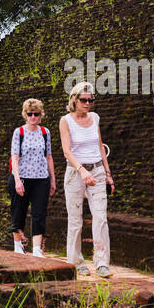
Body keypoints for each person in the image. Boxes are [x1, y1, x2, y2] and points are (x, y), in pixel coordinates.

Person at [59, 82, 114, 278]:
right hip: (76, 173)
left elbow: (100, 146)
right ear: (74, 99)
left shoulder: (95, 118)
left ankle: (101, 263)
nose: (88, 103)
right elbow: (67, 151)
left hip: (97, 170)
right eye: (84, 100)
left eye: (91, 100)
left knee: (100, 218)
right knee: (76, 220)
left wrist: (108, 174)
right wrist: (82, 171)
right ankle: (76, 261)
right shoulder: (66, 121)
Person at [8, 98, 56, 257]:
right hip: (22, 178)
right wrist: (17, 180)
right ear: (25, 115)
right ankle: (17, 245)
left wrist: (53, 179)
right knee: (18, 211)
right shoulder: (19, 132)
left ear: (40, 115)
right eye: (30, 114)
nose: (33, 117)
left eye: (36, 114)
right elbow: (14, 157)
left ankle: (36, 249)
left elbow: (48, 157)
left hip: (41, 178)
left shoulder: (45, 132)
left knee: (39, 213)